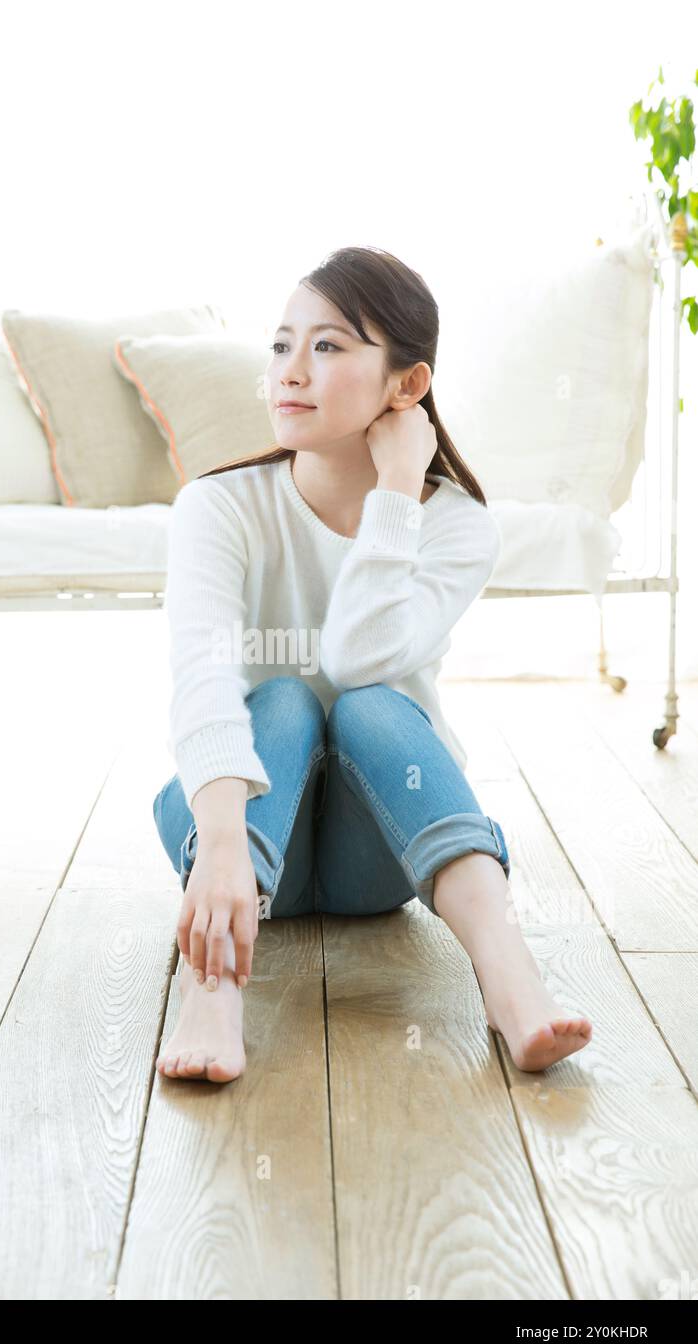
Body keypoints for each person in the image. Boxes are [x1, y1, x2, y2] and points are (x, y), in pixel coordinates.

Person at [152, 245, 592, 1083]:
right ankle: (211, 990)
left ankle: (509, 976)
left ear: (407, 385)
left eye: (328, 346)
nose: (291, 370)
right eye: (282, 344)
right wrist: (216, 849)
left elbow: (361, 660)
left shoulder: (457, 525)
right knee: (276, 700)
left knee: (374, 707)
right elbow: (201, 681)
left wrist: (395, 490)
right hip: (229, 836)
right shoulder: (216, 508)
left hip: (378, 850)